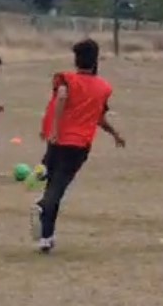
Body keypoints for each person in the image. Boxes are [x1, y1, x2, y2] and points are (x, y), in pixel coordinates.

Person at [30, 39, 126, 254]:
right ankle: (43, 208)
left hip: (57, 142)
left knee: (52, 185)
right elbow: (99, 117)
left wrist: (54, 129)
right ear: (95, 61)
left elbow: (62, 97)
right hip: (79, 145)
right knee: (57, 188)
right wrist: (115, 134)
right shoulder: (103, 87)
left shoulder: (67, 79)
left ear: (76, 59)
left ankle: (46, 237)